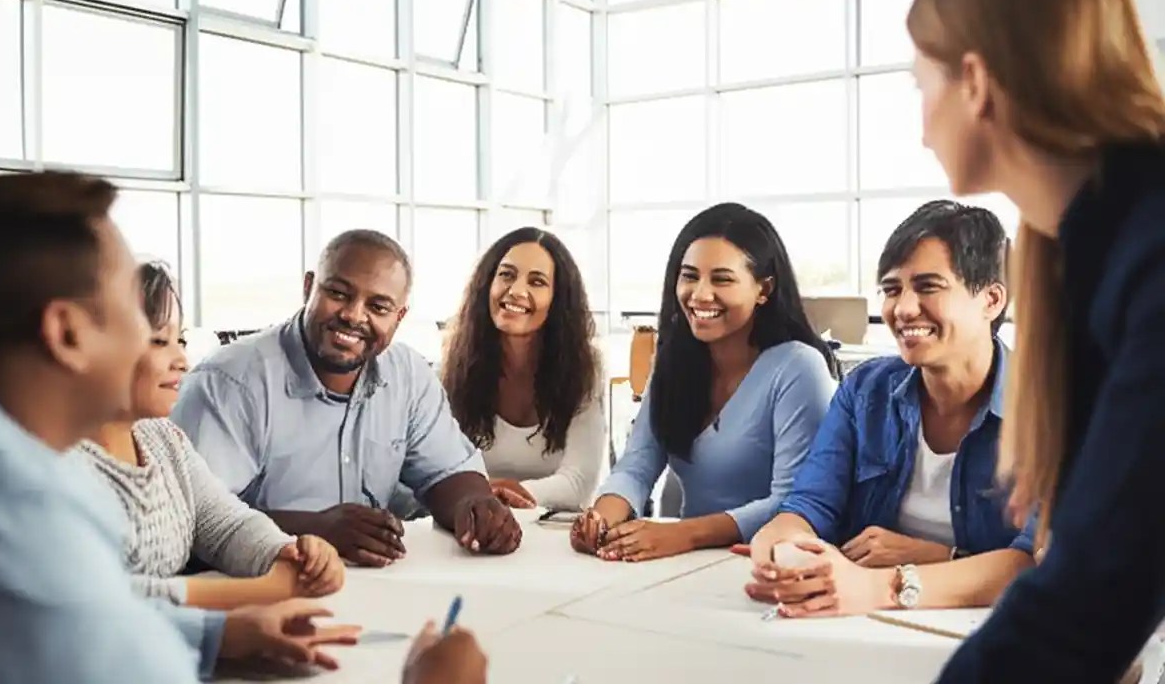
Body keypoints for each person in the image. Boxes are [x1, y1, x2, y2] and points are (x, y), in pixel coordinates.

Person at [0, 172, 359, 682]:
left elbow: (87, 608)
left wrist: (213, 636)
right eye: (131, 308)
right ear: (67, 332)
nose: (158, 343)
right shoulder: (7, 498)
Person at [901, 0, 1165, 681]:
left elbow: (1088, 607)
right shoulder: (1090, 252)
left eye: (921, 85)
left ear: (977, 83)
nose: (921, 124)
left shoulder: (1146, 258)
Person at [747, 201, 1036, 618]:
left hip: (988, 631)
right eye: (891, 289)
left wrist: (896, 578)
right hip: (866, 624)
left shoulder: (1047, 409)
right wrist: (786, 554)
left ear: (990, 300)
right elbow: (806, 508)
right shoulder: (866, 391)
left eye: (928, 286)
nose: (902, 309)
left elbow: (1031, 561)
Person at [172, 229, 521, 568]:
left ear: (399, 317)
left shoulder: (407, 374)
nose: (354, 315)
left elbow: (447, 472)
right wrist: (316, 529)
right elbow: (191, 519)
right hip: (251, 594)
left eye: (379, 306)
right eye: (338, 294)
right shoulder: (231, 382)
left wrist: (474, 504)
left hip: (369, 588)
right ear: (309, 287)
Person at [569, 203, 838, 562]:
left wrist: (684, 533)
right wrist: (601, 517)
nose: (700, 294)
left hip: (765, 564)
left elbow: (794, 503)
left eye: (722, 279)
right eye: (690, 276)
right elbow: (637, 464)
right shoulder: (673, 361)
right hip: (685, 561)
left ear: (764, 289)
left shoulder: (798, 367)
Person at [78, 261, 345, 609]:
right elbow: (100, 596)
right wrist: (265, 591)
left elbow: (227, 525)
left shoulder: (163, 439)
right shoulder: (57, 459)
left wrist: (290, 555)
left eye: (182, 340)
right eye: (160, 341)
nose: (182, 361)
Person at [441, 227, 606, 512]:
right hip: (470, 529)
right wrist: (478, 499)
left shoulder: (585, 369)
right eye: (506, 274)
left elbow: (579, 483)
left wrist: (497, 493)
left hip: (552, 536)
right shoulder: (451, 368)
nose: (516, 291)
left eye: (537, 282)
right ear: (487, 284)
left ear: (558, 300)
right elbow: (437, 473)